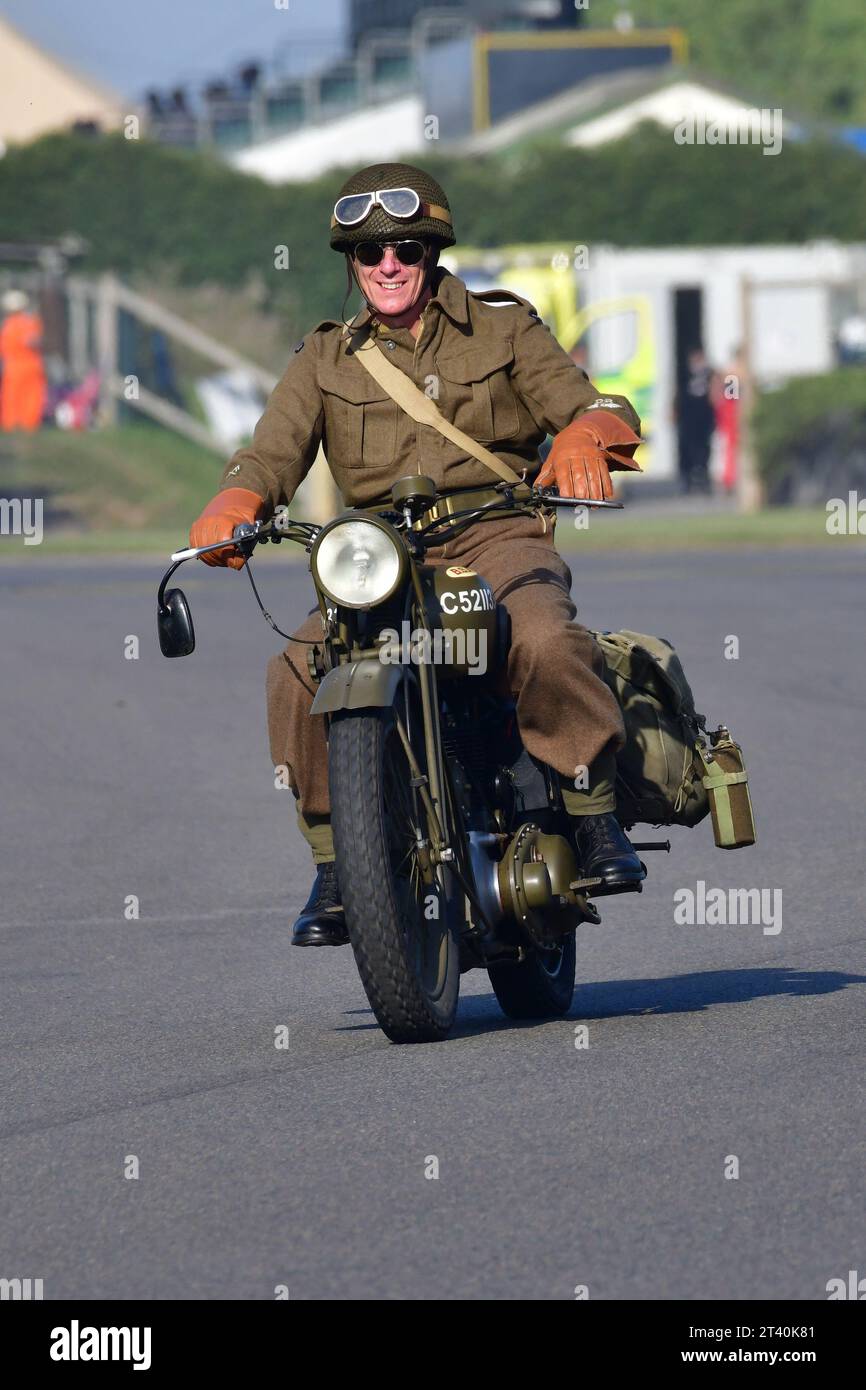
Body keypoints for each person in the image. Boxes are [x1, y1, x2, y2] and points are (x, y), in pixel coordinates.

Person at [189, 162, 646, 946]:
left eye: (403, 246)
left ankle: (592, 813)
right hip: (378, 555)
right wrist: (239, 497)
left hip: (495, 532)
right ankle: (339, 866)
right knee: (297, 672)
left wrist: (585, 436)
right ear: (351, 265)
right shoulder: (325, 358)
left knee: (544, 638)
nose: (387, 264)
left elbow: (599, 404)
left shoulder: (504, 328)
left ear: (431, 248)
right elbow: (271, 453)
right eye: (369, 254)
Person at [0, 289, 47, 433]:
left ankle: (12, 425)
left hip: (14, 367)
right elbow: (35, 341)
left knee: (13, 397)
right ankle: (29, 426)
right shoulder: (31, 322)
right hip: (31, 365)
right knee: (31, 396)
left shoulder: (7, 325)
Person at [674, 346, 718, 495]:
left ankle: (703, 480)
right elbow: (678, 394)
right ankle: (687, 480)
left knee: (704, 449)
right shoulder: (684, 375)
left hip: (704, 418)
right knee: (687, 448)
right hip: (688, 418)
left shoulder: (710, 374)